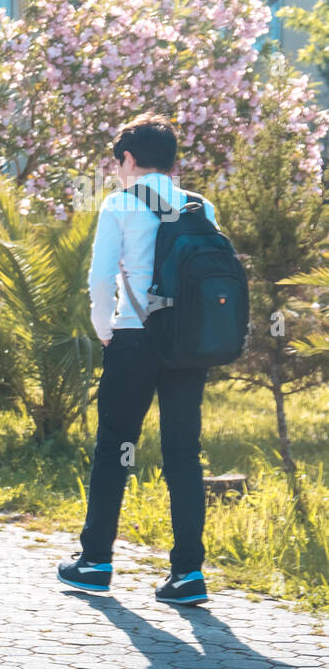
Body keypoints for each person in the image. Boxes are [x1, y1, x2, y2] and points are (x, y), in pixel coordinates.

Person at [58, 115, 217, 606]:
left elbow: (101, 278)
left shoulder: (121, 202)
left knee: (115, 448)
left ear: (128, 159)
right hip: (188, 344)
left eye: (118, 163)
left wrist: (105, 330)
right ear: (173, 160)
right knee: (183, 453)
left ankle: (95, 562)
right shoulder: (200, 205)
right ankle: (188, 572)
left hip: (133, 338)